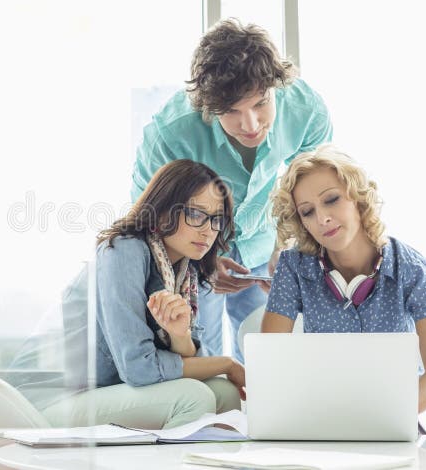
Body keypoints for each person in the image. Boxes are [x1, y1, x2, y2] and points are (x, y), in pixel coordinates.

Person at [131, 18, 332, 361]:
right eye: (231, 111)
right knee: (201, 353)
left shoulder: (306, 110)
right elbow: (146, 217)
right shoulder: (170, 133)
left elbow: (316, 189)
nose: (250, 124)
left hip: (262, 242)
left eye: (260, 103)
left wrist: (288, 245)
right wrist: (202, 262)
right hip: (192, 249)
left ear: (275, 86)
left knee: (265, 352)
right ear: (208, 106)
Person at [34, 160, 245, 429]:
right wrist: (227, 364)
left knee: (224, 392)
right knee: (194, 396)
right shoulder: (123, 250)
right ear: (162, 209)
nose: (208, 230)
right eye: (195, 214)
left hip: (115, 393)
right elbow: (139, 368)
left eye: (217, 219)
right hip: (65, 400)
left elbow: (188, 358)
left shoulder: (184, 273)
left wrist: (180, 335)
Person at [262, 144, 426, 413]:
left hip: (401, 408)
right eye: (307, 211)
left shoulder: (413, 270)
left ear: (358, 197)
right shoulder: (293, 268)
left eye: (331, 199)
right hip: (324, 411)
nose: (322, 218)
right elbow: (269, 364)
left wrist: (382, 416)